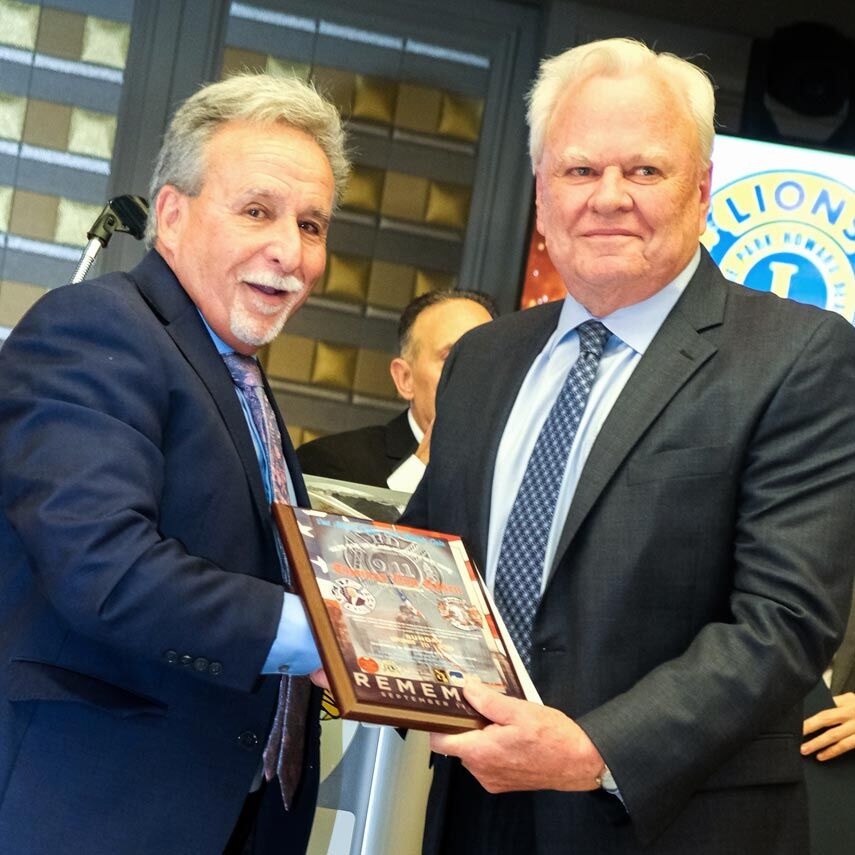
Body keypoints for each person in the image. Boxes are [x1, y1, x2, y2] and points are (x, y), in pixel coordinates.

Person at [399, 38, 855, 855]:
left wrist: (593, 750)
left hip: (670, 823)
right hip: (471, 813)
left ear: (702, 186)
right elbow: (428, 564)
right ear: (541, 195)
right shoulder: (482, 358)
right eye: (578, 171)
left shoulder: (798, 356)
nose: (607, 197)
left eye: (643, 171)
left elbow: (782, 622)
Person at [0, 73, 348, 854]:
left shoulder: (238, 370)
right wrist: (320, 634)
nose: (289, 250)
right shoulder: (96, 327)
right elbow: (105, 567)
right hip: (89, 810)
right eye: (256, 211)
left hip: (227, 812)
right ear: (170, 213)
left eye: (312, 224)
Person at [296, 289, 497, 491]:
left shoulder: (514, 471)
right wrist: (420, 466)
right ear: (405, 379)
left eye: (488, 358)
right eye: (452, 358)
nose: (476, 373)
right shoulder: (332, 463)